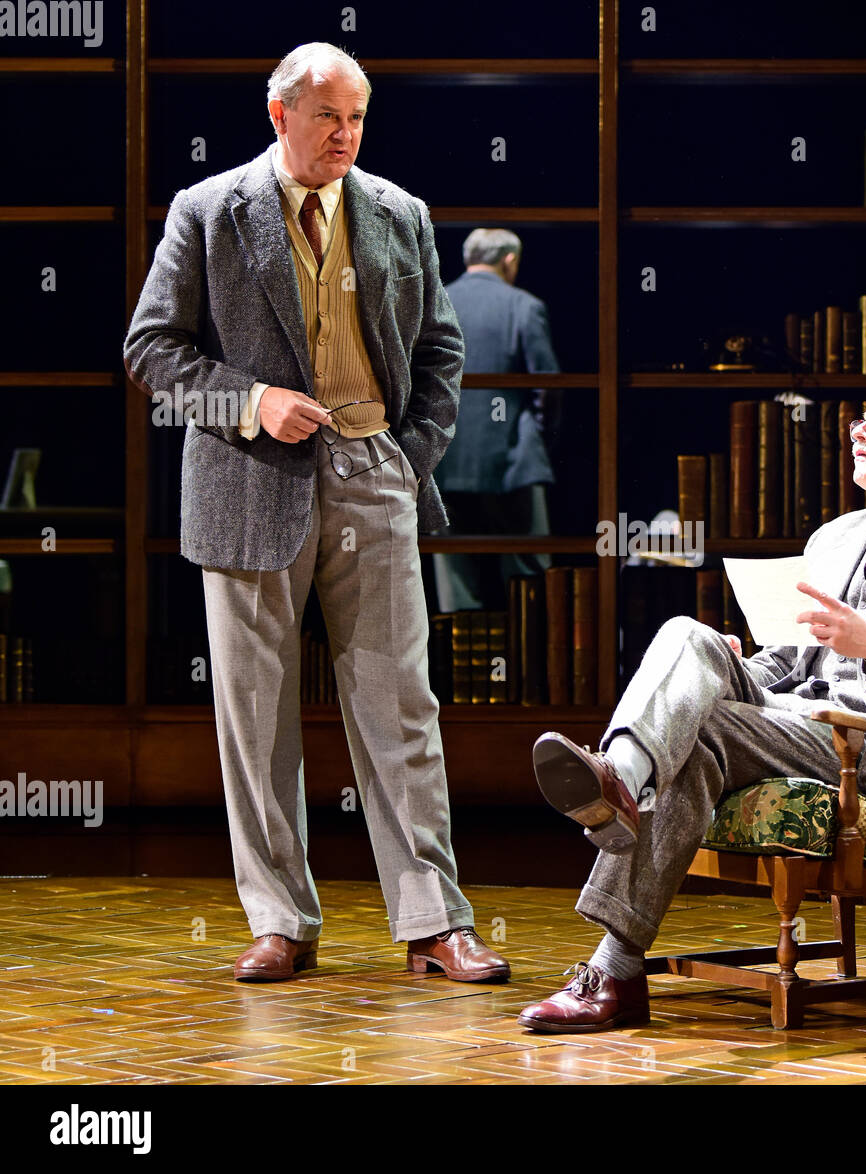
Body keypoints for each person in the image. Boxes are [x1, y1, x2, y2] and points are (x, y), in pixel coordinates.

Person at [124, 42, 508, 984]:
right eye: (329, 116)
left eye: (358, 118)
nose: (346, 135)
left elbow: (441, 354)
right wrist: (252, 400)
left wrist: (406, 457)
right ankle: (280, 920)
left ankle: (433, 924)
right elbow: (151, 350)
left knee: (401, 708)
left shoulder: (397, 213)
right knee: (254, 719)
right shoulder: (209, 213)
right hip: (249, 479)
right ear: (279, 114)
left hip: (374, 474)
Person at [519, 371, 866, 1031]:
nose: (861, 432)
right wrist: (734, 666)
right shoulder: (836, 538)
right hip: (798, 717)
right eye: (862, 420)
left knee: (705, 733)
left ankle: (612, 964)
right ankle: (618, 783)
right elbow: (791, 660)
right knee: (690, 641)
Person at [432, 228, 560, 612]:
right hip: (514, 461)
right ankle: (530, 665)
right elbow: (549, 385)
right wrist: (535, 436)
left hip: (446, 460)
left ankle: (462, 666)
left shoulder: (436, 303)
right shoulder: (524, 305)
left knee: (456, 576)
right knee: (529, 570)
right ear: (509, 260)